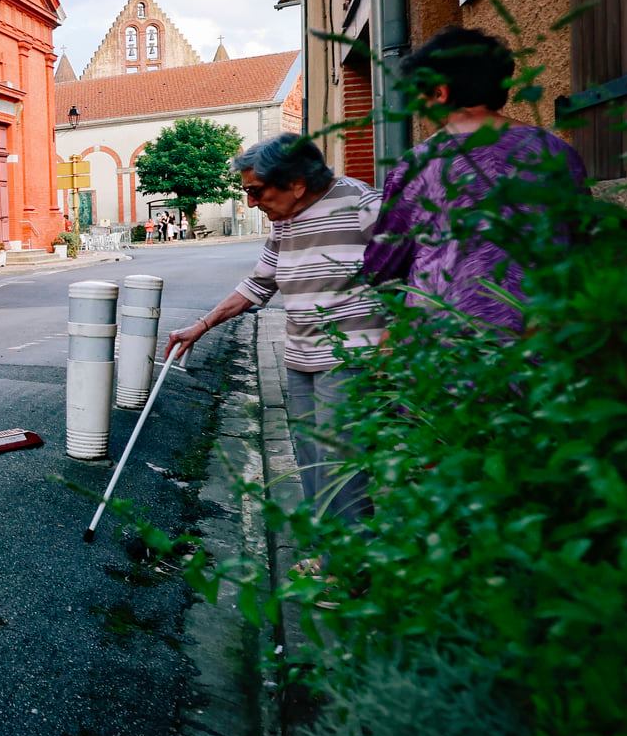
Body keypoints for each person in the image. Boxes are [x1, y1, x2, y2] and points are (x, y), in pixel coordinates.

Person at [163, 134, 383, 530]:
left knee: (341, 467)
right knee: (312, 459)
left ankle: (350, 570)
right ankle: (330, 554)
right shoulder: (285, 222)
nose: (251, 203)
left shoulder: (364, 206)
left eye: (255, 191)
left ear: (296, 183)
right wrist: (201, 326)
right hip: (300, 357)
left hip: (350, 358)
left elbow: (414, 272)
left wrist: (393, 340)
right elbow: (259, 284)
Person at [361, 26, 587, 332]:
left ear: (440, 92)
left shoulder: (419, 164)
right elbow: (580, 243)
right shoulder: (556, 153)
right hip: (542, 339)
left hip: (449, 346)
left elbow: (383, 266)